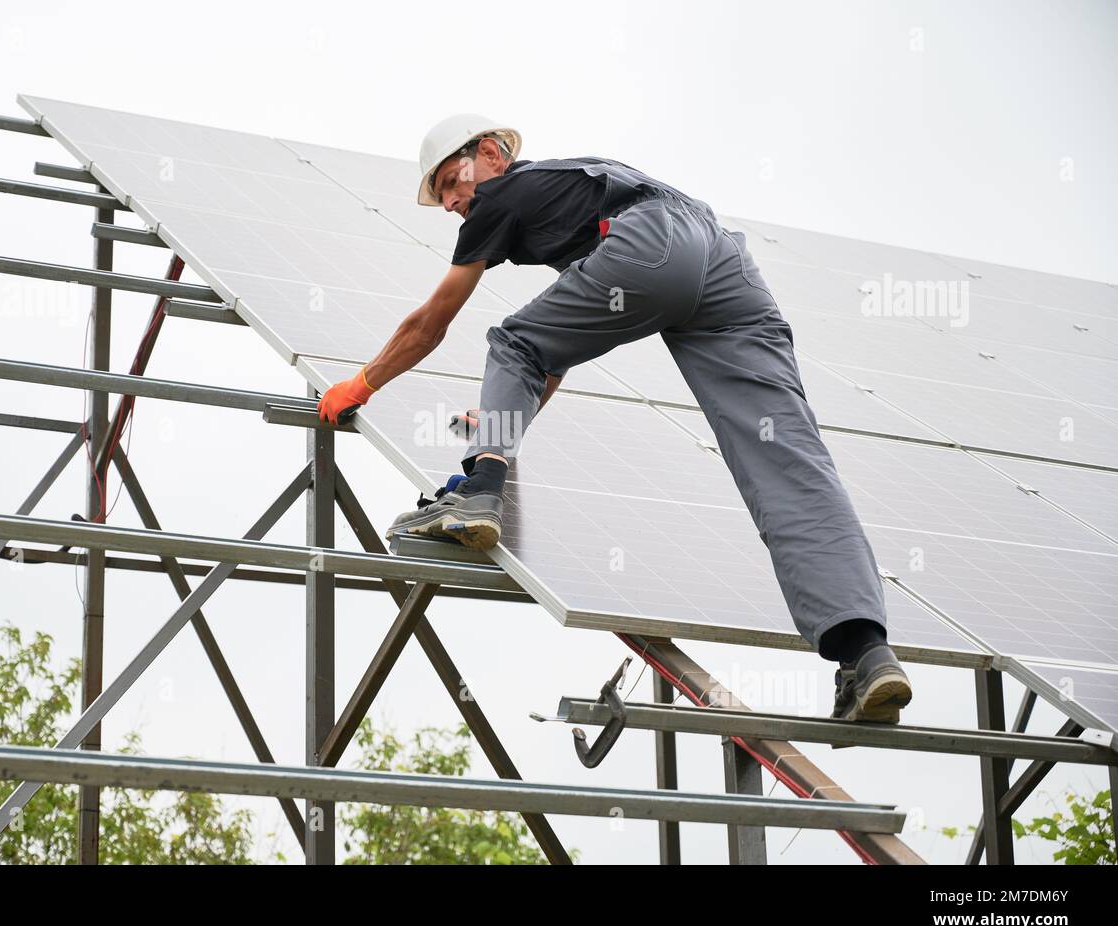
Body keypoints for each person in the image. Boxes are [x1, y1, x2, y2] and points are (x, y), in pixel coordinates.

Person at [317, 115, 913, 723]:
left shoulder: (502, 193)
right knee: (784, 455)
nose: (450, 202)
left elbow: (433, 322)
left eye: (451, 181)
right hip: (725, 266)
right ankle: (865, 653)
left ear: (493, 154)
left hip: (654, 243)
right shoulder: (565, 195)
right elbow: (559, 352)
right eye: (442, 194)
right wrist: (500, 429)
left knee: (512, 341)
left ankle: (475, 498)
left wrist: (363, 384)